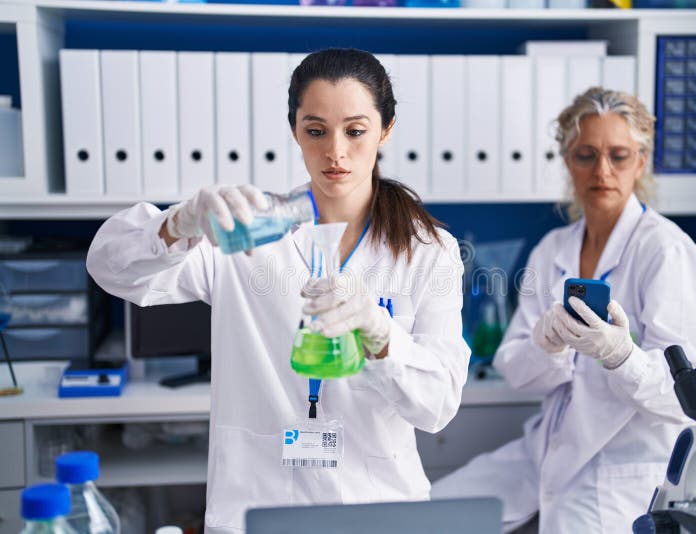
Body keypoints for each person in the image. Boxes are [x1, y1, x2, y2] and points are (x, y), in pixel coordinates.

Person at [87, 48, 470, 534]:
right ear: (294, 130)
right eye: (316, 130)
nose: (336, 151)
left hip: (378, 510)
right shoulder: (246, 234)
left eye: (355, 131)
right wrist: (178, 224)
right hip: (256, 510)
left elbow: (437, 406)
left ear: (385, 130)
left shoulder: (428, 249)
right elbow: (110, 268)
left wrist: (380, 334)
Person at [431, 87, 696, 533]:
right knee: (428, 512)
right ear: (567, 161)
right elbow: (514, 367)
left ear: (641, 162)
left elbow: (685, 401)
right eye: (586, 155)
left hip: (625, 475)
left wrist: (621, 357)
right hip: (545, 455)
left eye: (619, 156)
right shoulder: (553, 250)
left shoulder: (668, 254)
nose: (602, 171)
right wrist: (547, 347)